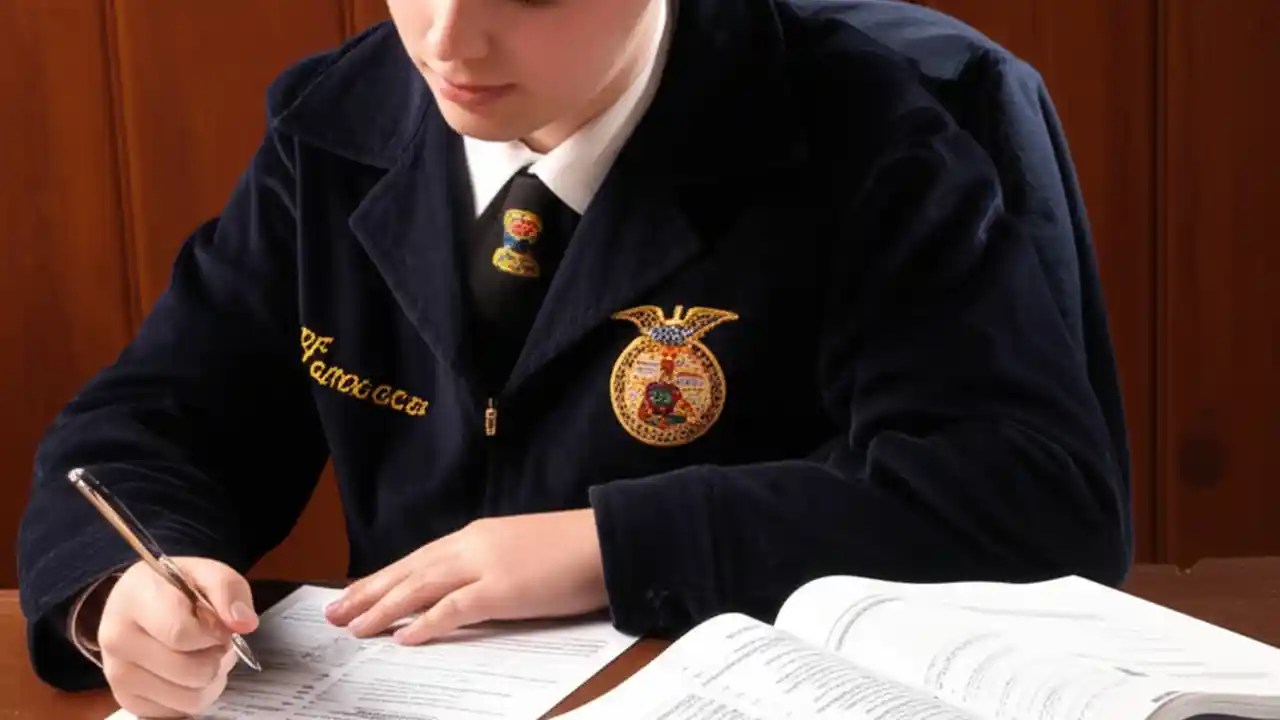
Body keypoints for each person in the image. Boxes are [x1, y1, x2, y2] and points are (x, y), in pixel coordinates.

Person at [18, 0, 1132, 715]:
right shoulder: (337, 120)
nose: (448, 41)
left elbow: (1034, 494)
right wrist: (125, 582)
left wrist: (609, 544)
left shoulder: (872, 132)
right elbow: (150, 425)